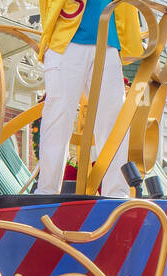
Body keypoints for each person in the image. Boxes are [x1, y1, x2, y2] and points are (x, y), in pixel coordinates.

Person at [36, 0, 144, 198]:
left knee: (114, 121)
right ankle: (46, 191)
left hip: (109, 42)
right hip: (67, 38)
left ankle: (117, 194)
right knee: (58, 116)